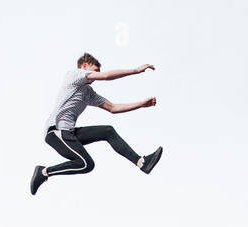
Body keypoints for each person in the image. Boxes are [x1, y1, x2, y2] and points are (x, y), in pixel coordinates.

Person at [30, 52, 162, 195]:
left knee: (108, 131)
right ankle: (44, 172)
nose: (96, 76)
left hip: (69, 133)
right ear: (84, 66)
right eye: (95, 71)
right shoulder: (74, 75)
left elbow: (113, 108)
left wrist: (141, 104)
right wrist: (136, 70)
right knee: (86, 164)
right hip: (55, 132)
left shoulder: (88, 92)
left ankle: (141, 162)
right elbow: (105, 76)